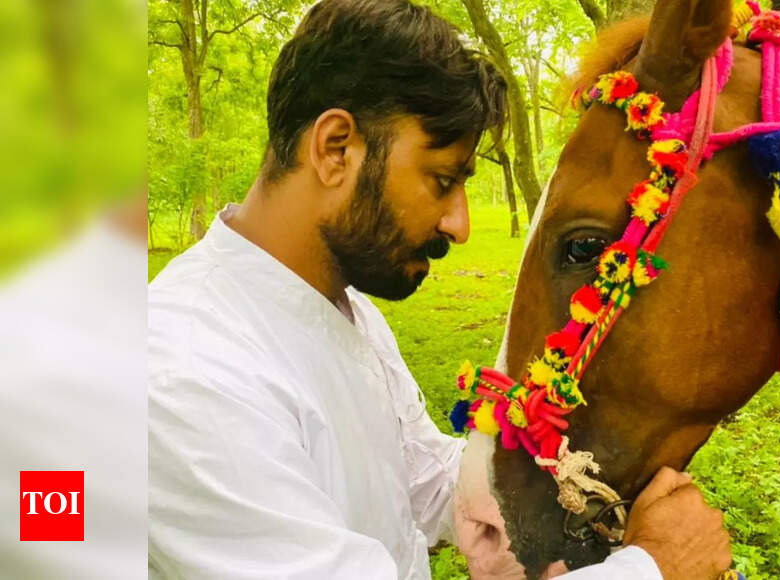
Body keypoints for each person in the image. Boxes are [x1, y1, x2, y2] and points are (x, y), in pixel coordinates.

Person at [147, 0, 732, 578]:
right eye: (443, 181)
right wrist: (655, 570)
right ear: (336, 148)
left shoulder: (340, 308)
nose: (460, 225)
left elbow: (418, 478)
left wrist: (550, 488)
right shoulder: (186, 375)